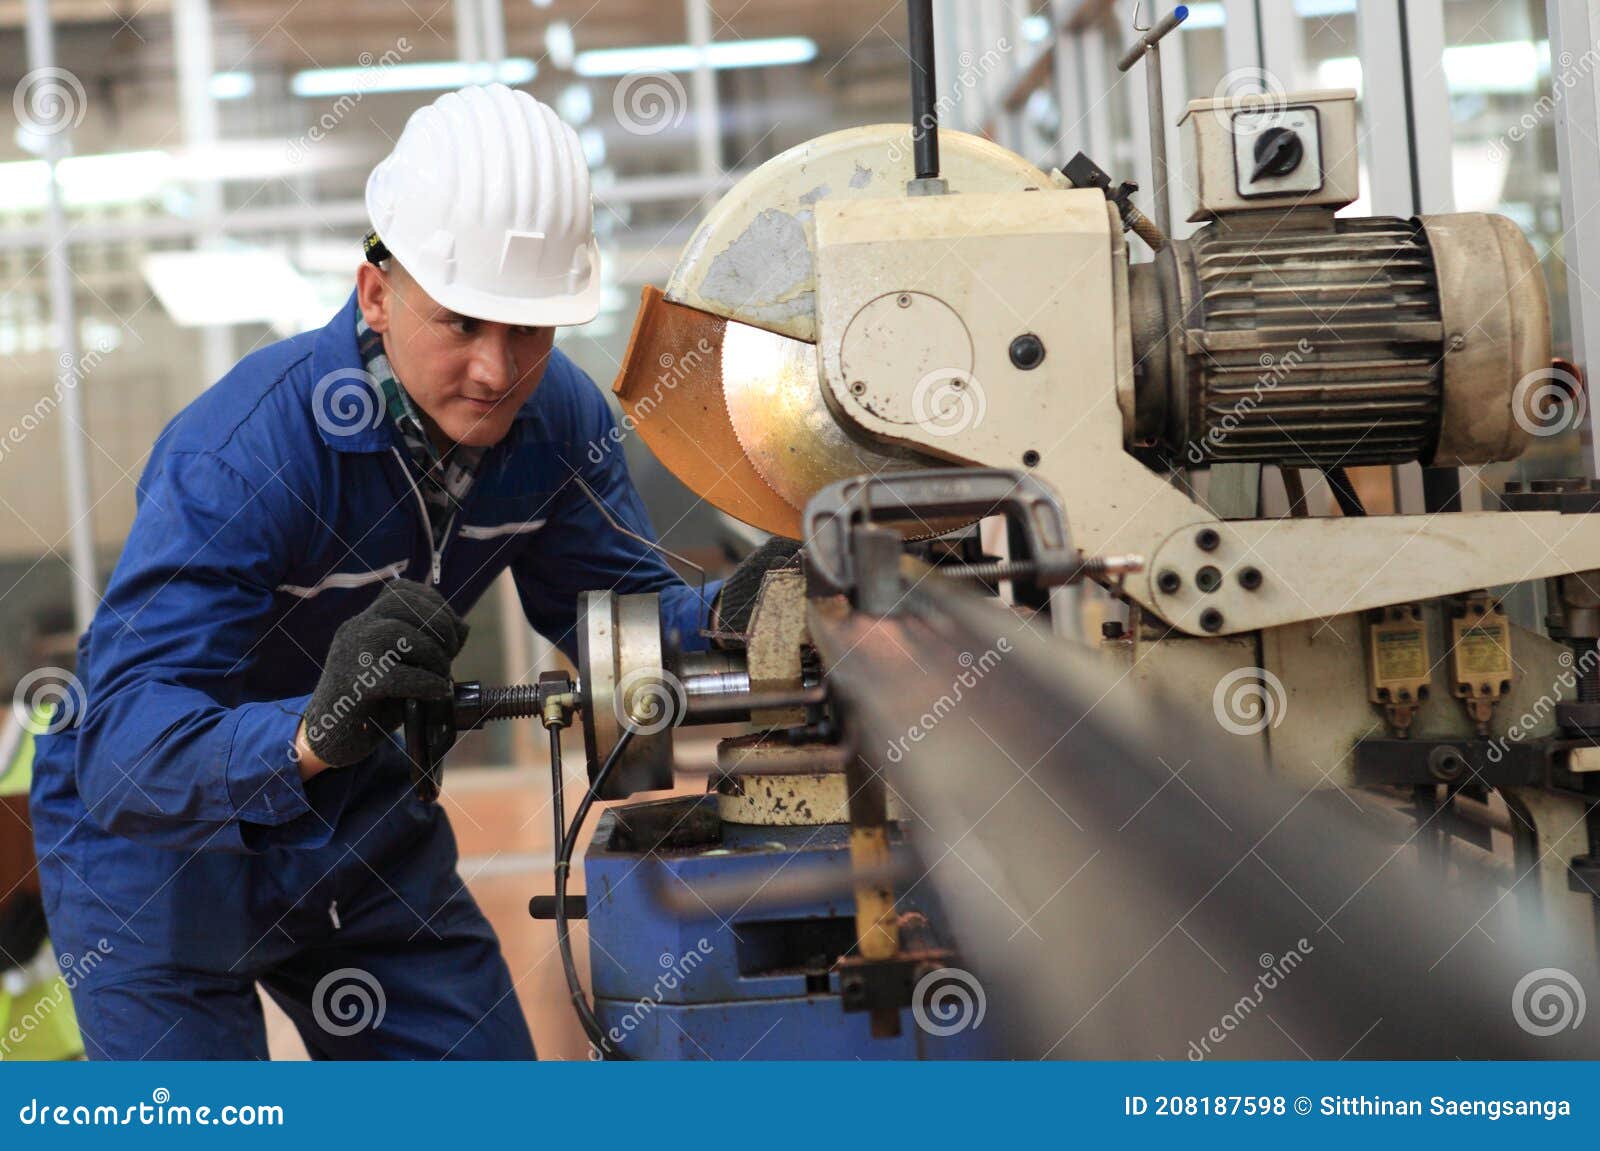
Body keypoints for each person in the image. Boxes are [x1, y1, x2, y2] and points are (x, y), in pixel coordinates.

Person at [30, 84, 785, 1060]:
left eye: (529, 330)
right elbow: (121, 746)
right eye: (463, 323)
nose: (497, 369)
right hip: (157, 855)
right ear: (376, 294)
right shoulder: (249, 450)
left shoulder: (555, 422)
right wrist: (308, 732)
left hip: (358, 833)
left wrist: (736, 614)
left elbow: (614, 618)